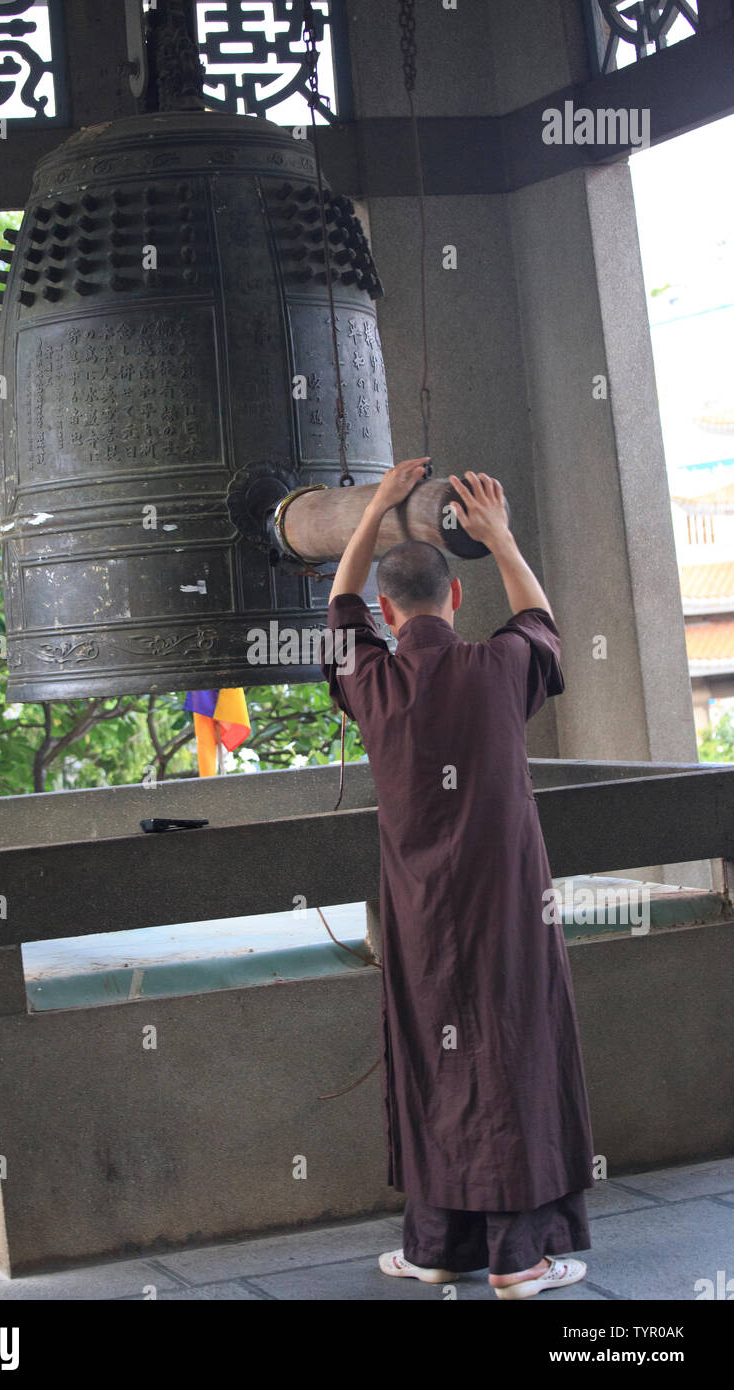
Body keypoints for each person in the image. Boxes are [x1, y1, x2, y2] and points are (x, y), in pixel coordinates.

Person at [320, 459, 596, 1300]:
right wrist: (499, 535)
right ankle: (520, 1257)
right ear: (457, 600)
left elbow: (338, 608)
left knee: (432, 1058)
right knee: (515, 1052)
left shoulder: (371, 679)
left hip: (418, 918)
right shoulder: (500, 669)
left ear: (389, 613)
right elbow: (539, 617)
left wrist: (371, 511)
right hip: (509, 907)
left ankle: (440, 1247)